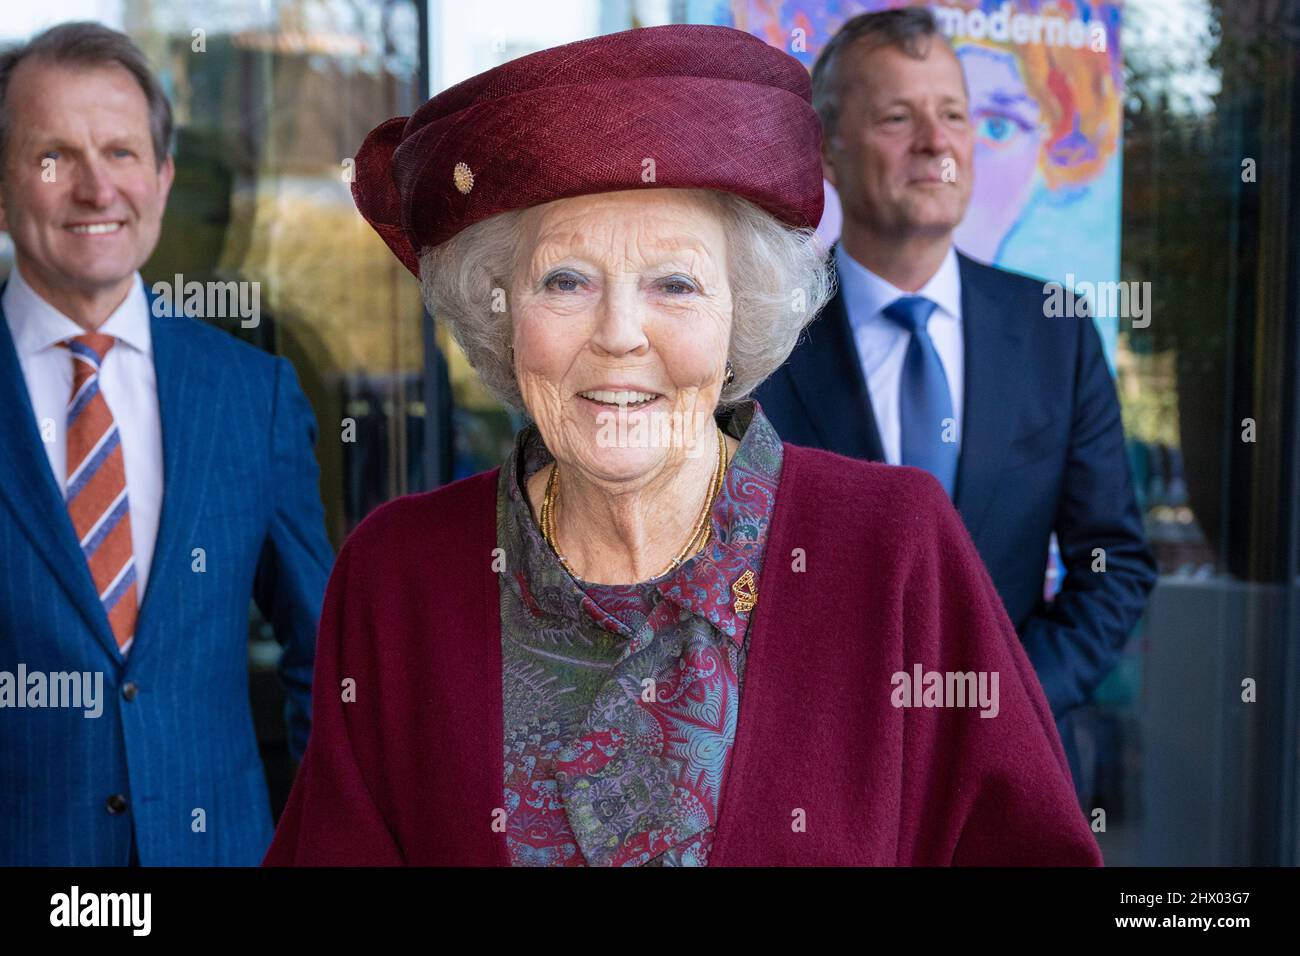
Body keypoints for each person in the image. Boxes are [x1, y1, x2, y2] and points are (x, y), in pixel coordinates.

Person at [264, 23, 1100, 866]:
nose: (620, 334)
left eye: (674, 283)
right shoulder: (399, 573)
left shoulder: (893, 547)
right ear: (501, 312)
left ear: (744, 309)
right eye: (565, 281)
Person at [753, 8, 1157, 791]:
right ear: (827, 153)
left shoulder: (1056, 333)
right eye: (898, 118)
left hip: (1012, 775)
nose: (936, 143)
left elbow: (1116, 564)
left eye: (953, 115)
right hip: (817, 778)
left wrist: (1007, 701)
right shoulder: (765, 345)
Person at [0, 22, 333, 866]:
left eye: (120, 152)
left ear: (161, 177)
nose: (95, 188)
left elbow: (324, 660)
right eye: (54, 157)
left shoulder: (249, 395)